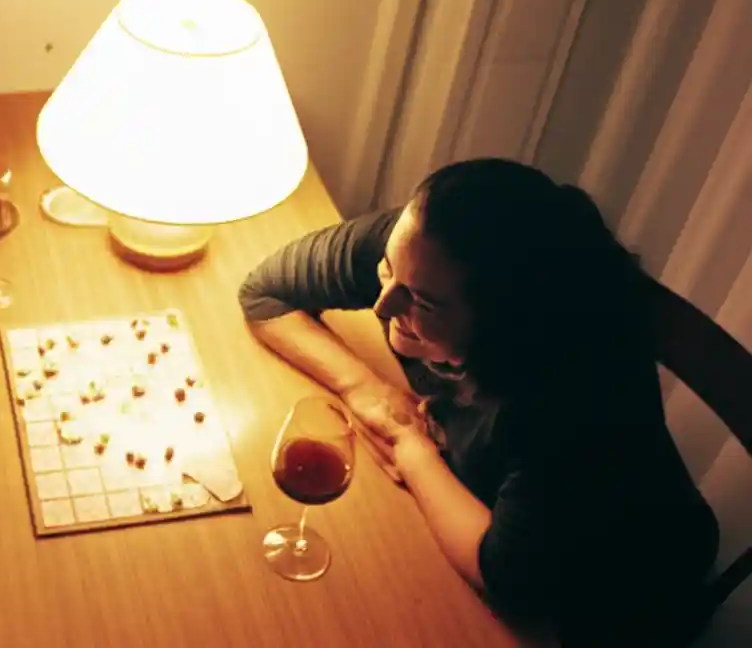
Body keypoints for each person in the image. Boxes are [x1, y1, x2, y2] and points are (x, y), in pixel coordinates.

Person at [239, 158, 718, 642]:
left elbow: (506, 578)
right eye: (386, 270)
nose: (384, 306)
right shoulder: (423, 252)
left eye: (423, 304)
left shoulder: (571, 409)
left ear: (502, 321)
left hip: (613, 591)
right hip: (504, 498)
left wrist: (413, 449)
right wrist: (362, 386)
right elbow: (264, 293)